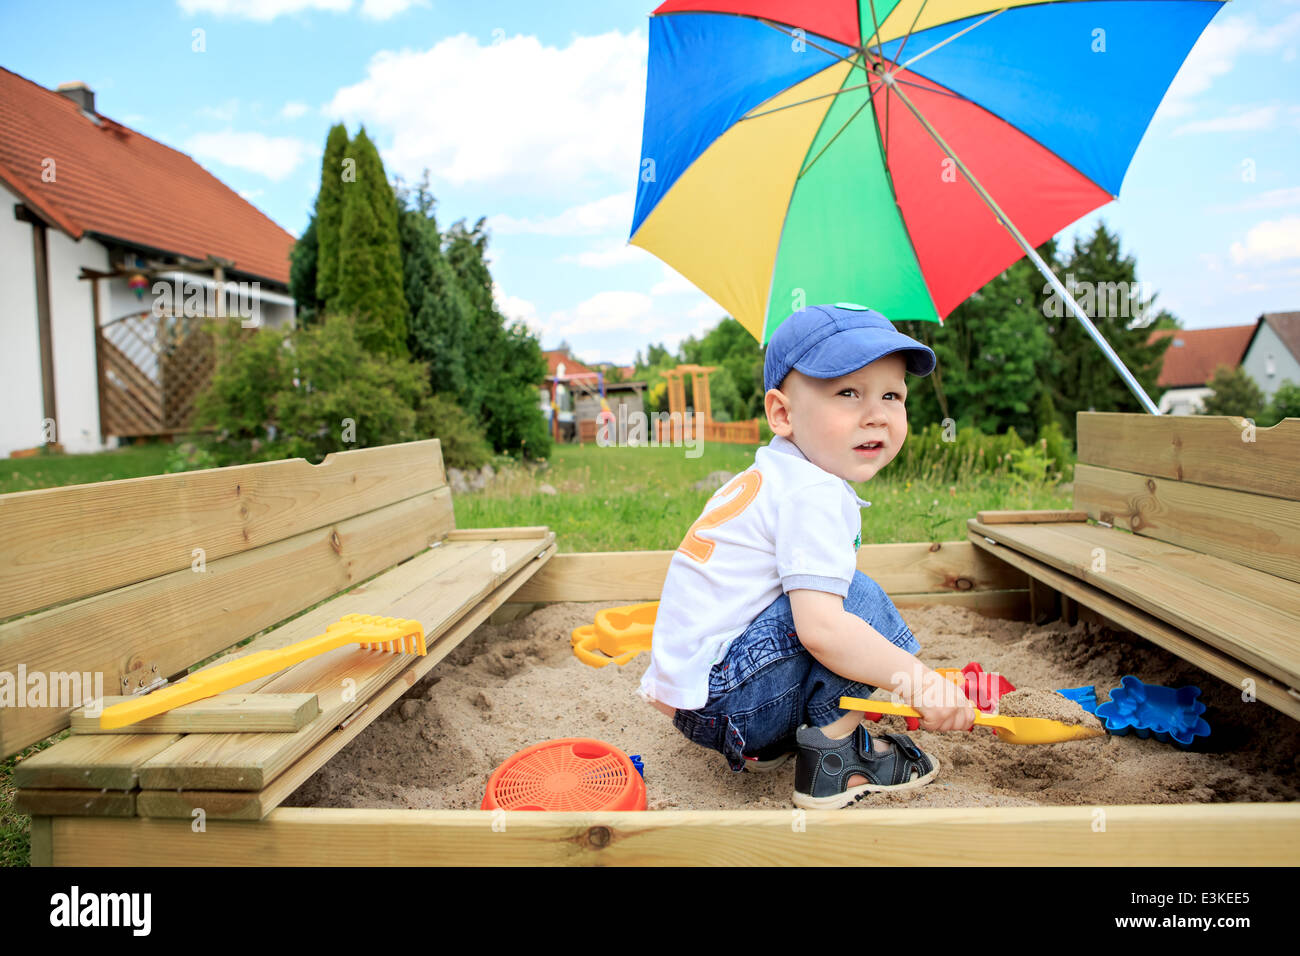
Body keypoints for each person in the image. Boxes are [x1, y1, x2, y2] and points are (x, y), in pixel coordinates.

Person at [637, 303, 977, 809]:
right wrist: (917, 681)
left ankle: (773, 743)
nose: (876, 414)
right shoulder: (811, 491)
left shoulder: (775, 472)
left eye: (891, 395)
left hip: (701, 699)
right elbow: (822, 631)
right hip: (732, 699)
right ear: (783, 413)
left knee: (832, 599)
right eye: (848, 393)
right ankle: (840, 759)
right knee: (854, 603)